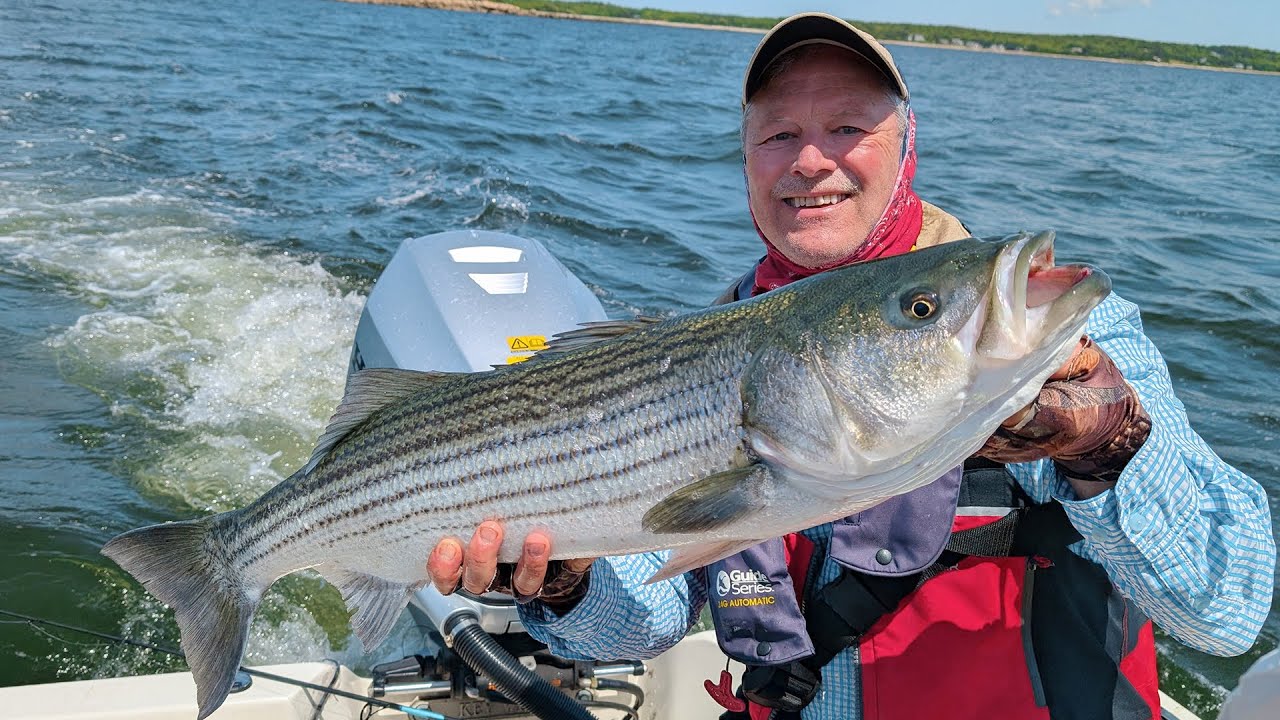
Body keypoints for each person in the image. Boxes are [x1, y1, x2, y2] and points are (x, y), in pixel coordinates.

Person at [425, 12, 1276, 720]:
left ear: (905, 149)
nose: (809, 161)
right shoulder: (706, 348)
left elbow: (1226, 611)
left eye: (848, 129)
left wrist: (1108, 450)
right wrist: (565, 585)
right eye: (779, 134)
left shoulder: (1044, 338)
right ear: (747, 158)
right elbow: (642, 624)